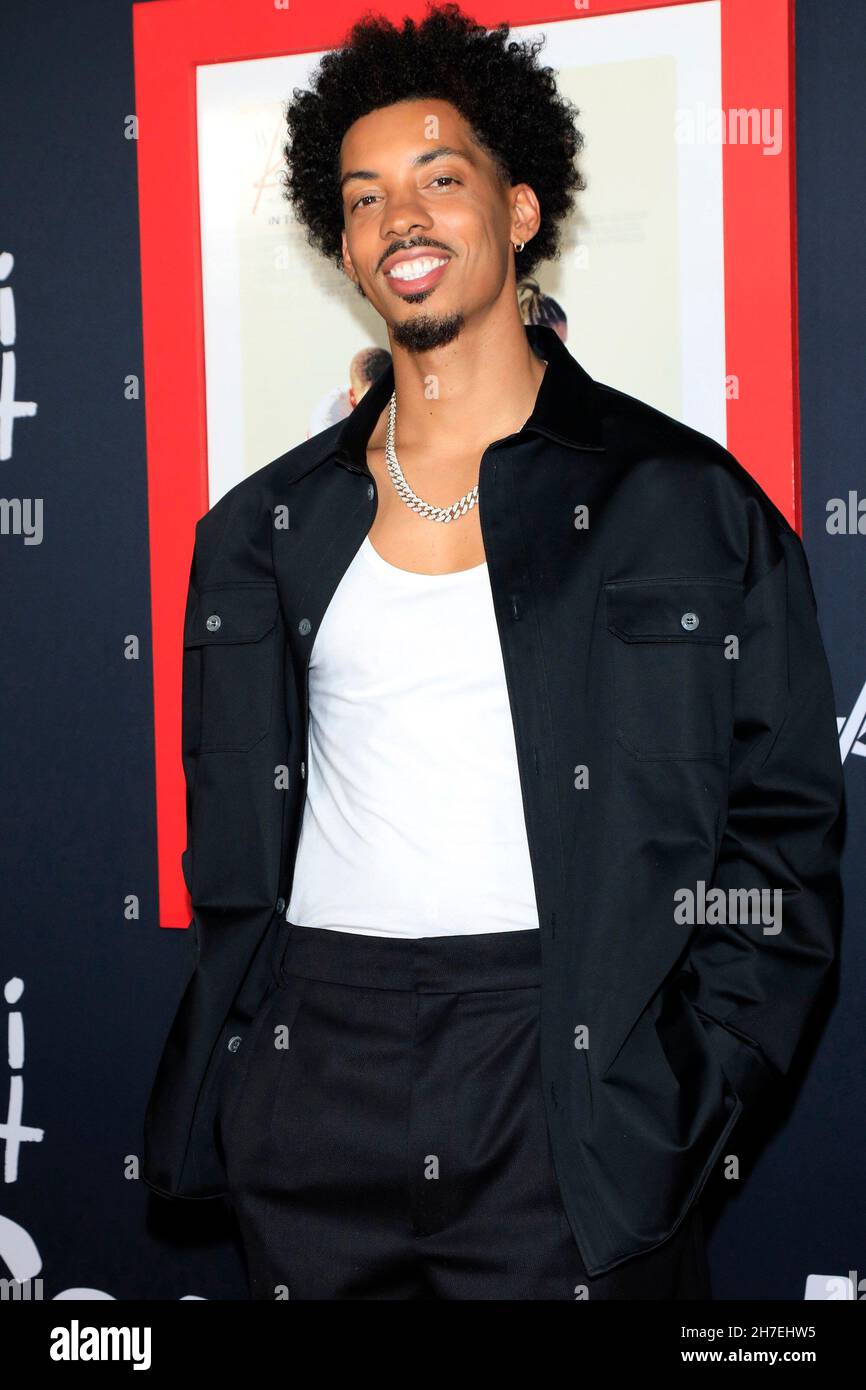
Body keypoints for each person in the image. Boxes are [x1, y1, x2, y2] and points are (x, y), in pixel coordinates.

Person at [142, 2, 845, 1301]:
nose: (398, 217)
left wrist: (691, 1087)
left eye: (438, 177)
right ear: (341, 242)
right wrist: (254, 1094)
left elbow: (781, 831)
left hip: (568, 1074)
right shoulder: (261, 530)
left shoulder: (680, 504)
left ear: (520, 210)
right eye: (363, 196)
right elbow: (237, 848)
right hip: (317, 1074)